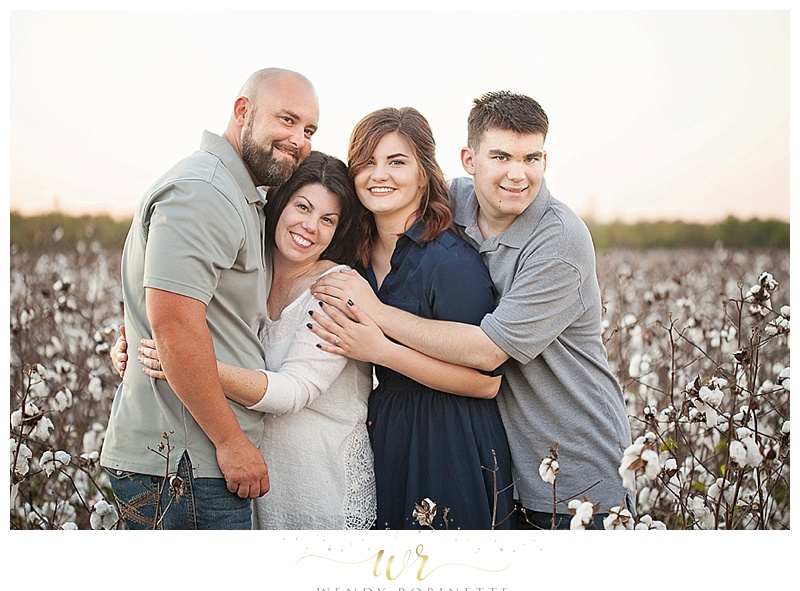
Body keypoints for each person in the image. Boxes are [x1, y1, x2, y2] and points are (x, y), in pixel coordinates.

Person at [311, 92, 633, 530]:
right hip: (501, 459)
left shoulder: (560, 241)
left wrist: (376, 317)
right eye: (500, 156)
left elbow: (487, 354)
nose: (516, 175)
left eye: (531, 158)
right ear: (469, 160)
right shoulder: (455, 203)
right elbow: (387, 191)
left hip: (571, 469)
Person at [100, 68, 320, 530]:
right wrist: (230, 442)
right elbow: (174, 326)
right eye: (287, 120)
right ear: (243, 112)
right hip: (185, 463)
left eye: (309, 130)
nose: (298, 139)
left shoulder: (240, 194)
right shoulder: (206, 191)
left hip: (193, 461)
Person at [115, 152, 377, 530]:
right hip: (252, 480)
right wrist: (130, 346)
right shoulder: (252, 270)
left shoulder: (334, 290)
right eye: (301, 207)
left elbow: (293, 391)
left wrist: (186, 364)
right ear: (280, 203)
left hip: (322, 484)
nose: (310, 226)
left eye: (327, 220)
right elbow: (181, 312)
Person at [309, 107, 515, 530]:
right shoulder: (354, 258)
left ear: (424, 173)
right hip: (388, 429)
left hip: (452, 436)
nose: (378, 174)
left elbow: (486, 382)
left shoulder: (449, 260)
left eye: (396, 162)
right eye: (367, 162)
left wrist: (379, 349)